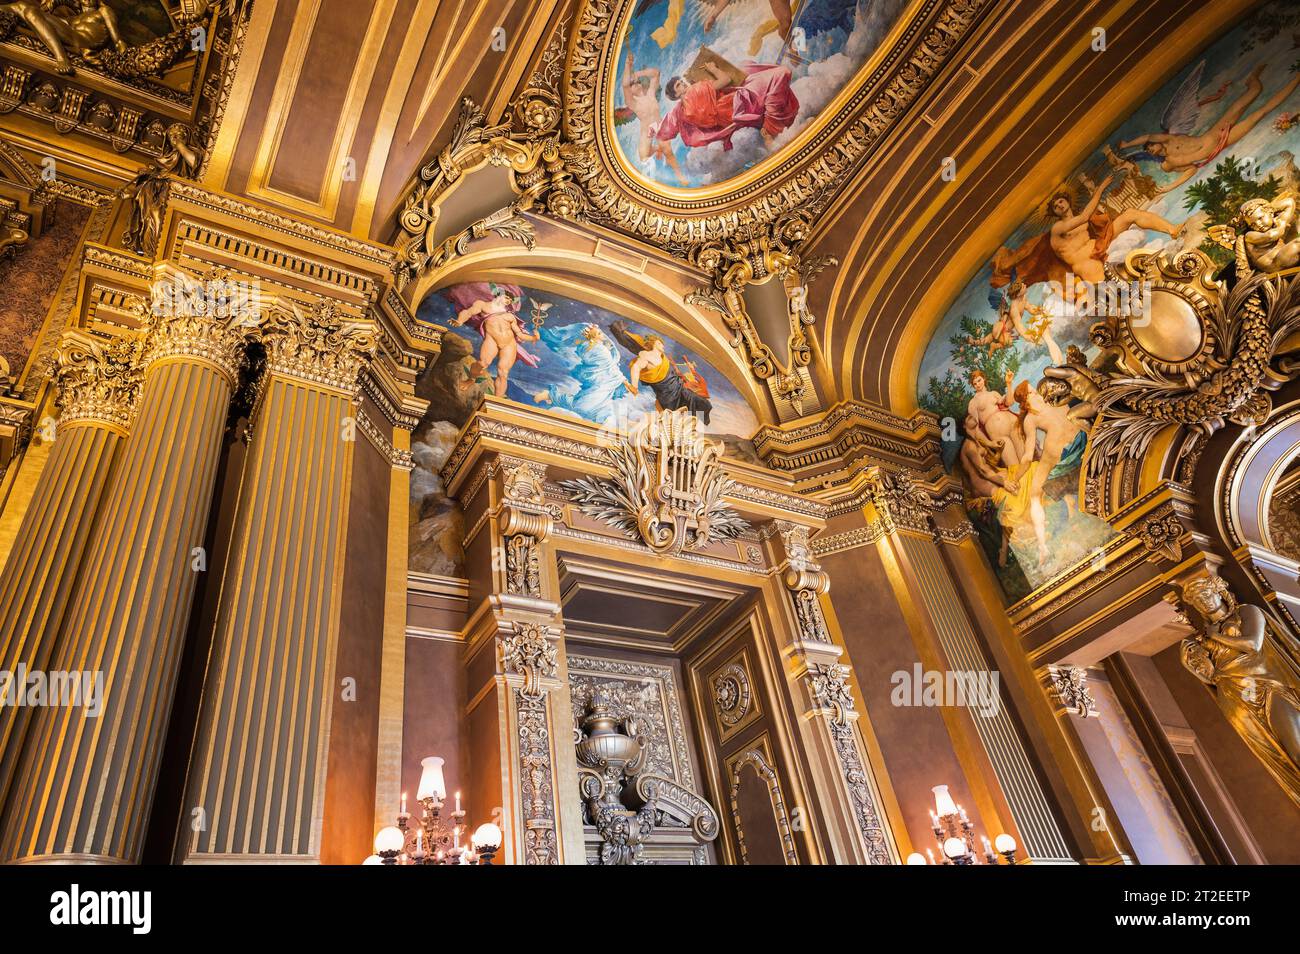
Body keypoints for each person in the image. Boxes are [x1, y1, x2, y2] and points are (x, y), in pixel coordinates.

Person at [1120, 62, 1300, 194]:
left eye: (1151, 146)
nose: (1152, 149)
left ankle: (1252, 79)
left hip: (1216, 130)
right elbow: (1191, 171)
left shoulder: (1169, 138)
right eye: (1149, 150)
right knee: (1260, 113)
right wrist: (1169, 187)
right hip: (1222, 143)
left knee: (1254, 92)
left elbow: (1146, 137)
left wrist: (1128, 145)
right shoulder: (1169, 164)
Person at [657, 58, 798, 150]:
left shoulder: (683, 112)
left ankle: (769, 127)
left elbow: (671, 124)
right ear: (676, 95)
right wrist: (713, 69)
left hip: (728, 120)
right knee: (780, 74)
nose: (683, 83)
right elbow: (725, 79)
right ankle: (770, 130)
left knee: (748, 67)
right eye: (678, 85)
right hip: (737, 105)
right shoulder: (696, 90)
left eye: (681, 81)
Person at [444, 282, 540, 397]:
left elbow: (519, 334)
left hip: (509, 345)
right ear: (499, 294)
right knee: (482, 363)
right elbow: (468, 312)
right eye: (507, 298)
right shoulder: (483, 305)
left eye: (510, 300)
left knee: (503, 372)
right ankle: (471, 379)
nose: (508, 301)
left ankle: (497, 400)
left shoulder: (510, 316)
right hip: (492, 341)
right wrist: (459, 321)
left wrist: (533, 337)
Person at [618, 52, 689, 185]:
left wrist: (637, 74)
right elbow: (625, 85)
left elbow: (656, 73)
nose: (636, 83)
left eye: (637, 82)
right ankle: (657, 149)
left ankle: (679, 175)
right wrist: (628, 66)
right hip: (647, 131)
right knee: (643, 156)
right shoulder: (633, 102)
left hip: (659, 126)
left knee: (668, 150)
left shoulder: (650, 93)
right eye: (633, 84)